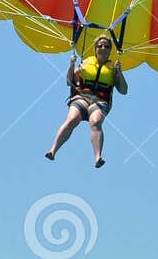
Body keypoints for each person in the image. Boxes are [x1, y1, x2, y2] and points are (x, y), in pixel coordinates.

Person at [46, 34, 127, 167]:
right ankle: (52, 150)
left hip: (100, 100)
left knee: (95, 121)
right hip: (82, 96)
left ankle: (98, 157)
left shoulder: (113, 68)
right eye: (100, 46)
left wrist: (119, 72)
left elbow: (123, 90)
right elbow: (69, 82)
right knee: (72, 119)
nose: (103, 48)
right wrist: (72, 64)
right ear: (95, 49)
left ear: (110, 50)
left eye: (106, 46)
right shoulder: (86, 62)